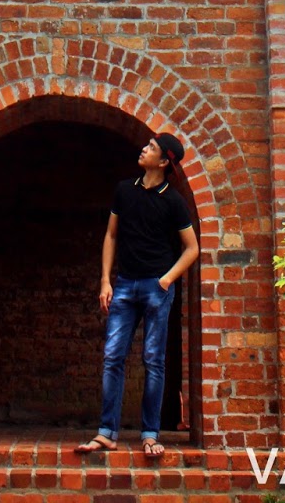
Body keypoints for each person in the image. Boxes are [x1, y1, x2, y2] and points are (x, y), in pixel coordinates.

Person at [75, 131, 199, 462]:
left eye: (152, 148)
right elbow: (111, 235)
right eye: (146, 144)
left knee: (153, 360)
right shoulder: (124, 191)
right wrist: (105, 280)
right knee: (113, 356)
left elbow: (192, 248)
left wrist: (167, 280)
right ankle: (106, 433)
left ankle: (149, 435)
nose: (143, 149)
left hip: (156, 288)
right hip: (125, 285)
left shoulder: (173, 200)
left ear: (163, 161)